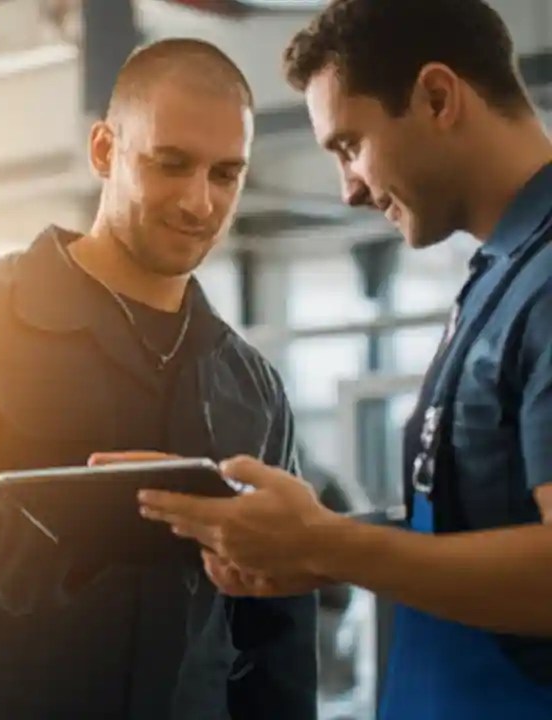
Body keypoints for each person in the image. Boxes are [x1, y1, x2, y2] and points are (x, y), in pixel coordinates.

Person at [0, 37, 317, 719]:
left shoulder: (252, 386)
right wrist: (89, 531)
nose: (200, 202)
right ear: (105, 150)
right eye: (172, 165)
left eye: (226, 174)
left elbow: (276, 630)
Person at [137, 1, 552, 717]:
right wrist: (309, 543)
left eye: (349, 144)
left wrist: (329, 545)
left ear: (437, 97)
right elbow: (474, 527)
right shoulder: (500, 274)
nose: (349, 187)